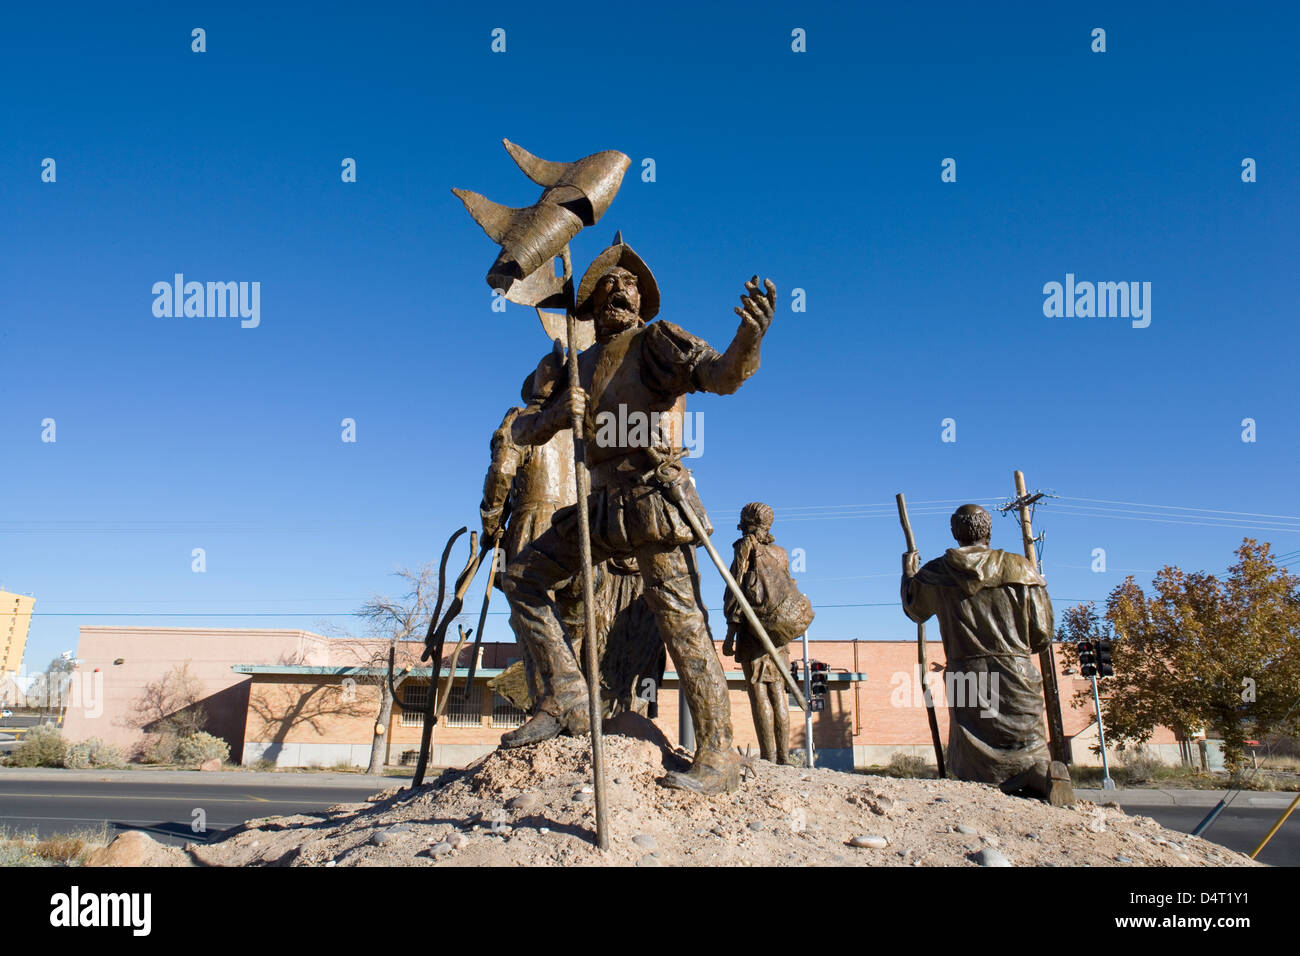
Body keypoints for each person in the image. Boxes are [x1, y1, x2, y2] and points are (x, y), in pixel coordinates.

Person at [500, 233, 776, 794]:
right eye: (606, 289)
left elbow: (723, 377)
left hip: (652, 499)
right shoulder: (578, 365)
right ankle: (566, 696)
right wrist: (557, 415)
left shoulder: (656, 341)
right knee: (523, 578)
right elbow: (524, 430)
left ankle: (718, 752)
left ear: (642, 302)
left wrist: (749, 337)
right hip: (598, 504)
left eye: (627, 288)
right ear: (591, 306)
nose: (617, 293)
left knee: (682, 621)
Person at [900, 504, 1075, 806]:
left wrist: (909, 575)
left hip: (967, 674)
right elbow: (1043, 633)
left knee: (972, 758)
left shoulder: (937, 572)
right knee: (1028, 744)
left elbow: (916, 611)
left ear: (955, 532)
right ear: (989, 530)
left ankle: (983, 798)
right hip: (1016, 672)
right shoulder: (1020, 567)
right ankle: (1041, 774)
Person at [722, 502, 802, 765]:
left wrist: (731, 633)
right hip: (778, 633)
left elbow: (735, 588)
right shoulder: (781, 553)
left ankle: (769, 756)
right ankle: (784, 757)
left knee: (759, 693)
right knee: (779, 691)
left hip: (753, 631)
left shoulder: (745, 547)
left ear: (746, 523)